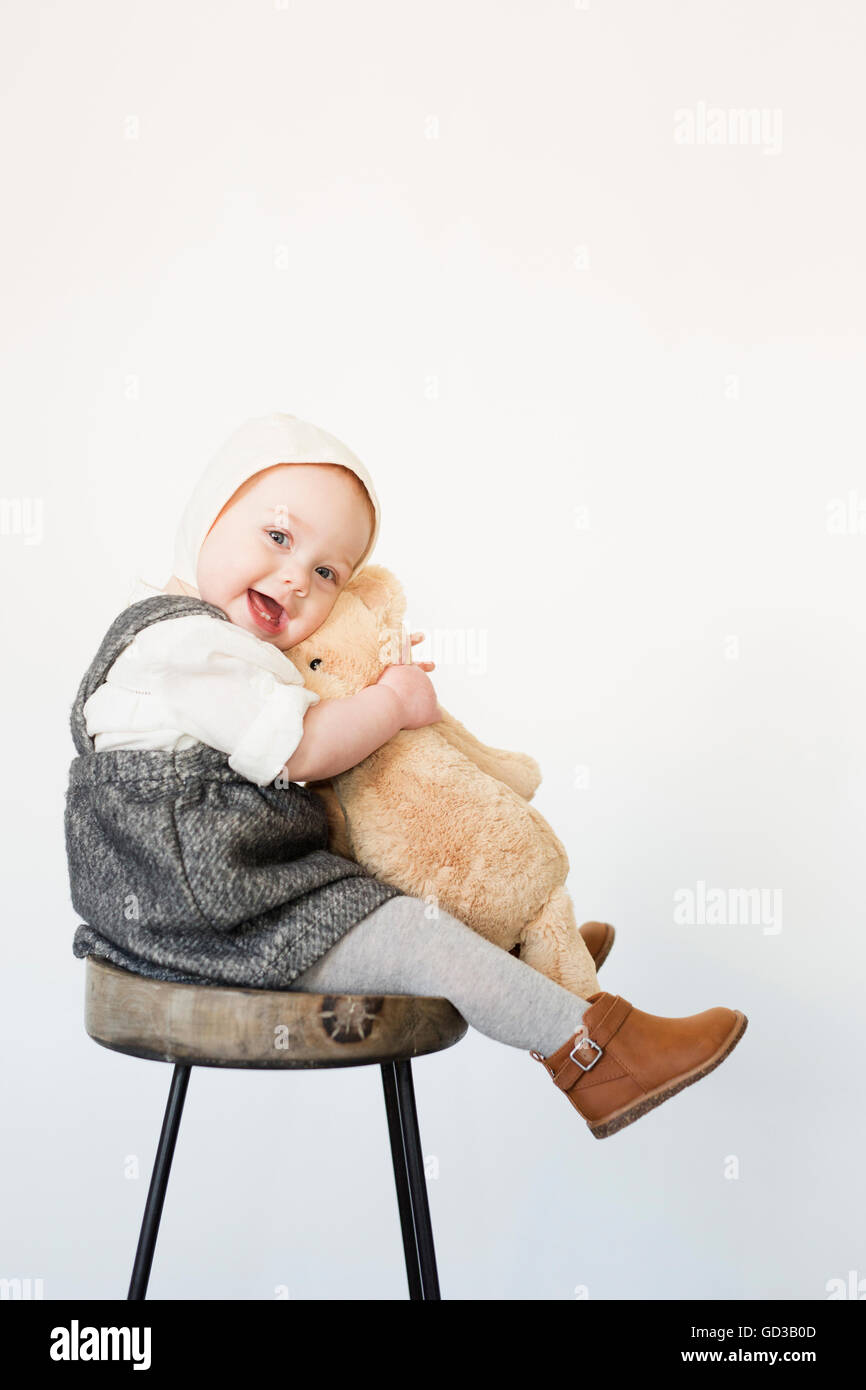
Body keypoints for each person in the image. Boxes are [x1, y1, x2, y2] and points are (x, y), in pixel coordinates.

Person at [65, 412, 747, 1140]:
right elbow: (303, 749)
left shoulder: (200, 645)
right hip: (217, 913)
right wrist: (389, 702)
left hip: (219, 900)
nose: (297, 575)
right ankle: (594, 1054)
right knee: (421, 937)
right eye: (277, 536)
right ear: (206, 518)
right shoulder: (188, 647)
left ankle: (526, 958)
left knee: (405, 898)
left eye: (328, 572)